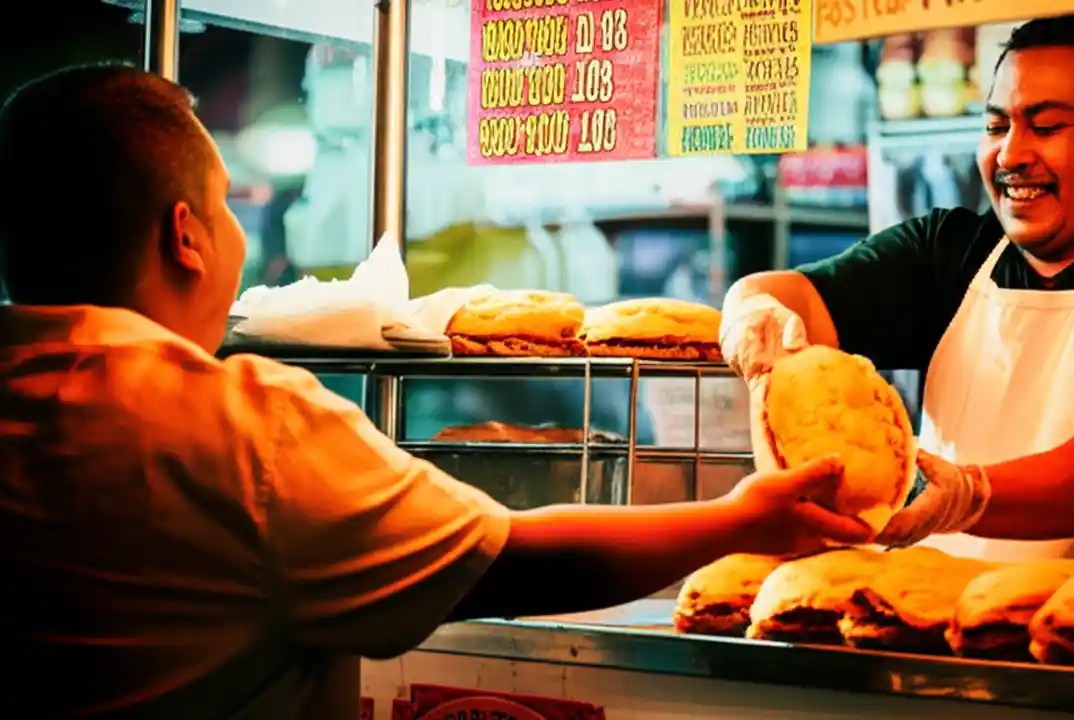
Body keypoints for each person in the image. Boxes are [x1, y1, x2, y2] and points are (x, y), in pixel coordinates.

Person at [0, 65, 870, 718]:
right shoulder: (241, 429)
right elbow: (504, 565)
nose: (240, 231)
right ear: (185, 236)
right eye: (227, 204)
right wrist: (744, 518)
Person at [720, 13, 1074, 561]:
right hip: (926, 627)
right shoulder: (947, 253)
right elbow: (791, 297)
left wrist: (970, 497)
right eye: (996, 127)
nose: (1011, 156)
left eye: (1045, 126)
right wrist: (751, 313)